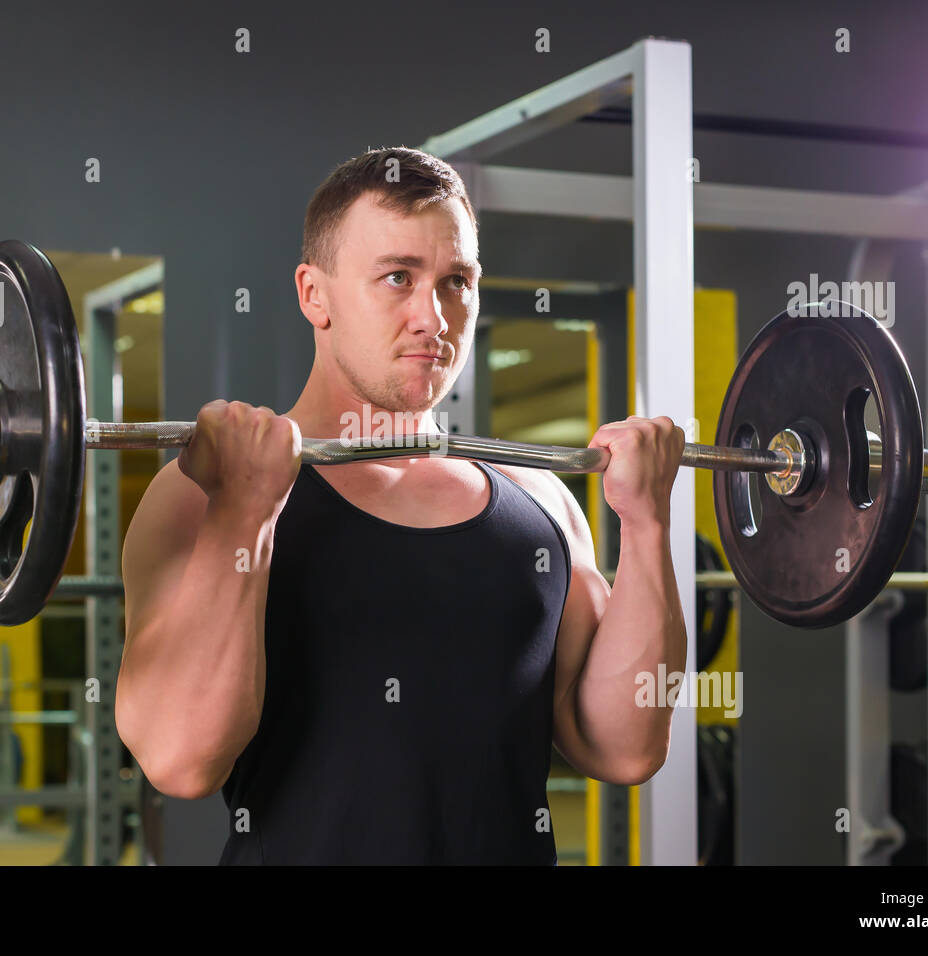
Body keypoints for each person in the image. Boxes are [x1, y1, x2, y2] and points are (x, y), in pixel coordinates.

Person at [116, 147, 687, 864]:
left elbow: (624, 747)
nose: (434, 318)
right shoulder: (204, 496)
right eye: (398, 278)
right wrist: (247, 514)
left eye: (457, 282)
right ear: (313, 294)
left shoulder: (538, 499)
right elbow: (179, 759)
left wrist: (649, 522)